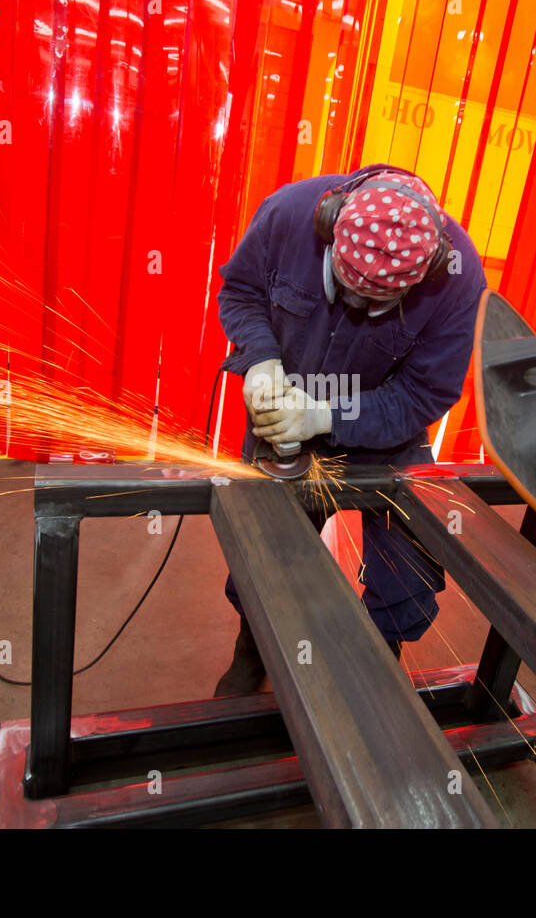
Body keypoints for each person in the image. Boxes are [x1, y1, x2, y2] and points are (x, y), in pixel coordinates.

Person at [212, 164, 487, 696]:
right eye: (347, 290)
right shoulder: (289, 215)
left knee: (409, 561)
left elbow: (424, 395)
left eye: (374, 305)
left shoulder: (457, 276)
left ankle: (377, 661)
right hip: (284, 410)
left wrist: (325, 415)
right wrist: (263, 360)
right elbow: (240, 292)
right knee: (265, 553)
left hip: (385, 425)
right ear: (329, 228)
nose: (356, 308)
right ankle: (253, 648)